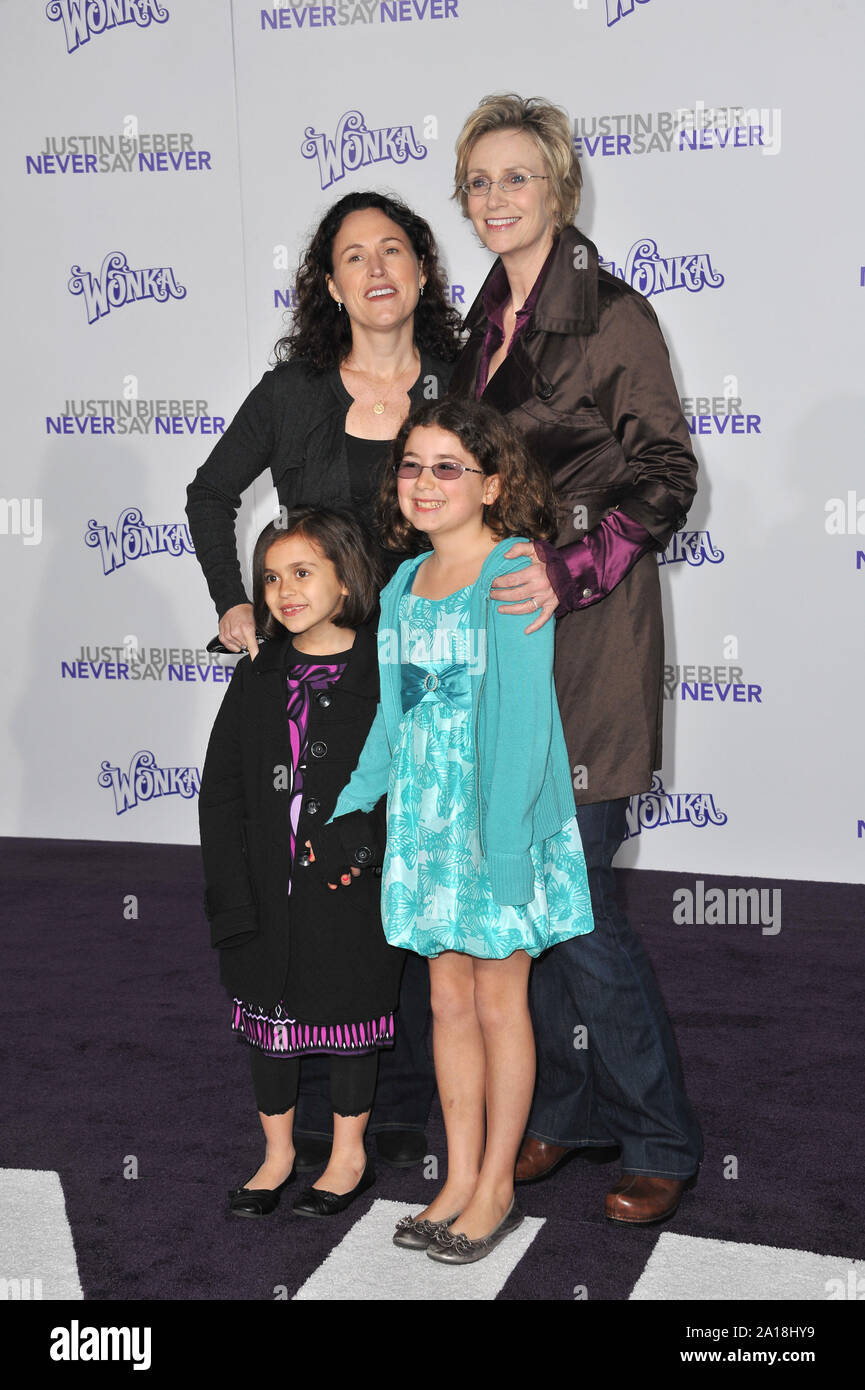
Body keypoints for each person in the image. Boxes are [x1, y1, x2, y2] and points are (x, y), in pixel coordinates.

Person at [446, 93, 703, 1224]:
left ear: (559, 187)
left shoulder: (612, 314)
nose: (496, 199)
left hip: (587, 634)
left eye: (516, 177)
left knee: (583, 902)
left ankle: (657, 1134)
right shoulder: (474, 326)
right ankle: (565, 1112)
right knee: (523, 897)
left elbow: (666, 476)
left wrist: (570, 566)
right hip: (496, 645)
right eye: (479, 181)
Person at [187, 191, 462, 1170]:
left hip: (425, 681)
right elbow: (212, 491)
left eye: (394, 248)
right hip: (312, 679)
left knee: (413, 893)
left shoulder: (463, 383)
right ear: (329, 283)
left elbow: (504, 499)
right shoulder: (296, 389)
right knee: (301, 879)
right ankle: (307, 1122)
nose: (376, 267)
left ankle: (438, 1111)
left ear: (422, 272)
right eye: (353, 254)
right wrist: (234, 603)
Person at [309, 398, 594, 1264]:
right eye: (411, 465)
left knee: (499, 1004)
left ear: (492, 484)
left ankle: (498, 1183)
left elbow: (525, 729)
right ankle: (459, 1174)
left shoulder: (510, 568)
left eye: (447, 468)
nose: (424, 483)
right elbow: (396, 722)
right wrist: (354, 802)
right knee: (444, 1001)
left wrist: (504, 844)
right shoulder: (400, 584)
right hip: (426, 828)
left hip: (495, 824)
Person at [198, 507, 406, 1218]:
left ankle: (348, 1157)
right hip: (264, 887)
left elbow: (404, 777)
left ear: (346, 580)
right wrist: (228, 889)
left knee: (350, 1018)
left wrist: (365, 848)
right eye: (271, 578)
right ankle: (277, 1153)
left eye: (302, 573)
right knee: (269, 1020)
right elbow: (220, 788)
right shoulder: (258, 674)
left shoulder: (384, 671)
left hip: (350, 891)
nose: (284, 590)